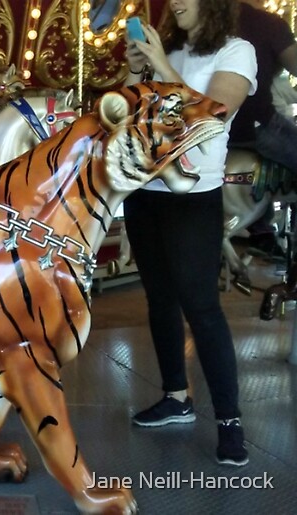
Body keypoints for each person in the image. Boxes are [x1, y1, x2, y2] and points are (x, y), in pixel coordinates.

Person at [123, 0, 257, 467]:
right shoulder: (171, 50)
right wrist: (135, 71)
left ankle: (229, 421)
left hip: (194, 194)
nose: (175, 1)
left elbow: (211, 115)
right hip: (147, 188)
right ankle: (176, 397)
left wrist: (160, 64)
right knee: (159, 298)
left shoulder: (236, 52)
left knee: (201, 306)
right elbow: (125, 115)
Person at [228, 0, 297, 256]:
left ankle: (261, 229)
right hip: (256, 124)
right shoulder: (268, 24)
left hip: (220, 128)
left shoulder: (212, 22)